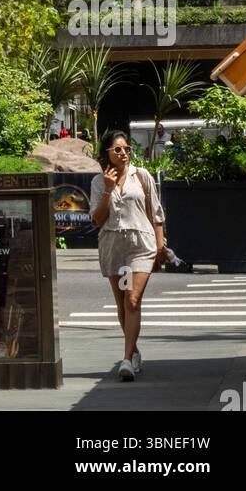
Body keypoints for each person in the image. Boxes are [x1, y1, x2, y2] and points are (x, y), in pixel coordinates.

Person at [90, 129, 166, 381]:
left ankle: (126, 360)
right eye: (118, 150)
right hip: (114, 247)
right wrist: (108, 190)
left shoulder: (141, 176)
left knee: (132, 300)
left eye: (127, 149)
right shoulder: (98, 182)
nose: (124, 154)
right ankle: (132, 351)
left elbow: (155, 213)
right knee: (123, 302)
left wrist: (159, 246)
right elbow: (98, 219)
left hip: (139, 245)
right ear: (107, 153)